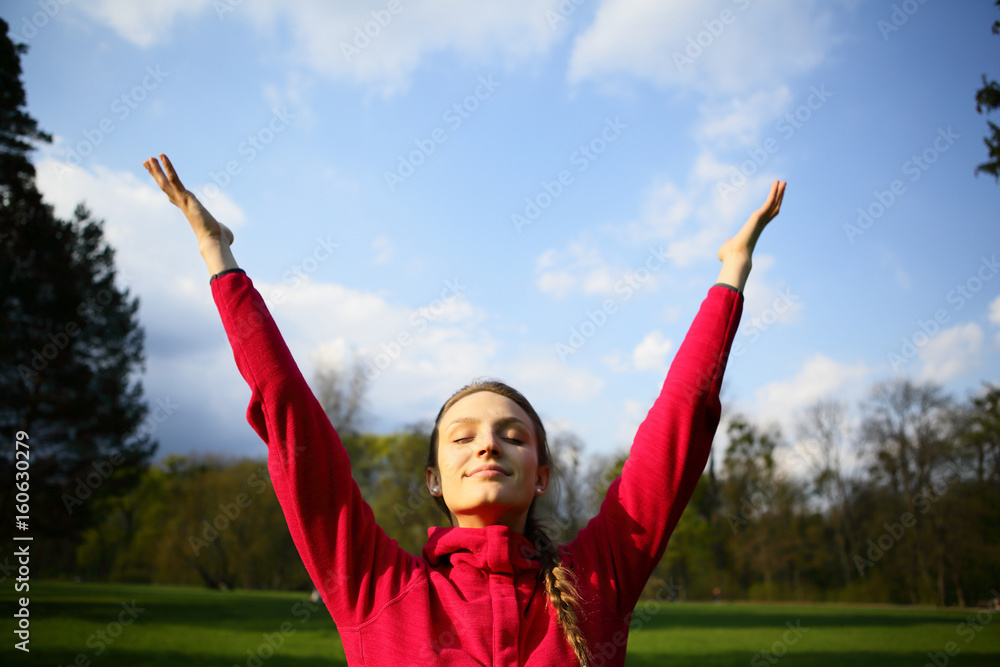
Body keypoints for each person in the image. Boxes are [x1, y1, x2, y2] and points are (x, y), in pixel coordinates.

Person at [144, 153, 785, 666]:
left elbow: (680, 423)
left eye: (512, 435)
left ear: (542, 474)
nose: (488, 445)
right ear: (432, 479)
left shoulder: (597, 583)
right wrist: (218, 257)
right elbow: (290, 418)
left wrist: (732, 273)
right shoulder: (375, 588)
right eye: (462, 437)